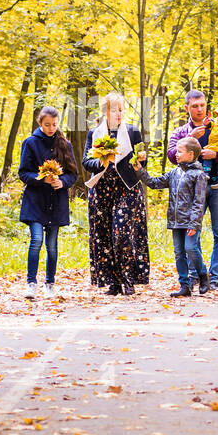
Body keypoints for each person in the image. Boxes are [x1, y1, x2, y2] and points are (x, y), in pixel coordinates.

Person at [167, 89, 218, 291]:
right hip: (192, 191)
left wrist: (216, 155)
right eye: (195, 106)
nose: (200, 109)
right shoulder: (181, 132)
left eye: (202, 105)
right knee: (192, 233)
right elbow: (172, 155)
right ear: (187, 108)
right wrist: (191, 137)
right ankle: (195, 276)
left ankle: (215, 277)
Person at [83, 91, 150, 296]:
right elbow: (87, 162)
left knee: (121, 234)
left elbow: (141, 161)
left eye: (121, 110)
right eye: (114, 110)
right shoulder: (94, 133)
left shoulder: (132, 132)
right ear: (105, 112)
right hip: (101, 190)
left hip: (126, 190)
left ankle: (128, 279)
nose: (118, 114)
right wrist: (102, 160)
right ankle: (112, 282)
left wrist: (141, 160)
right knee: (104, 235)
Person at [17, 106, 78, 298]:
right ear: (39, 123)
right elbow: (23, 172)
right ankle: (31, 283)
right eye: (47, 124)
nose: (51, 128)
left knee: (52, 245)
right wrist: (40, 179)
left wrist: (63, 182)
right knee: (36, 240)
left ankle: (50, 284)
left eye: (54, 124)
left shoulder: (64, 144)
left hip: (56, 202)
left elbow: (73, 173)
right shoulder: (30, 143)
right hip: (35, 201)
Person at [137, 136, 209, 296]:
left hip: (190, 221)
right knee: (179, 252)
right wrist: (139, 170)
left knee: (191, 248)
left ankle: (203, 275)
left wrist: (194, 223)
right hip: (175, 220)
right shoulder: (174, 173)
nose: (176, 154)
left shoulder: (199, 175)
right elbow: (154, 183)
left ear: (191, 154)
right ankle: (184, 285)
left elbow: (199, 202)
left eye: (180, 152)